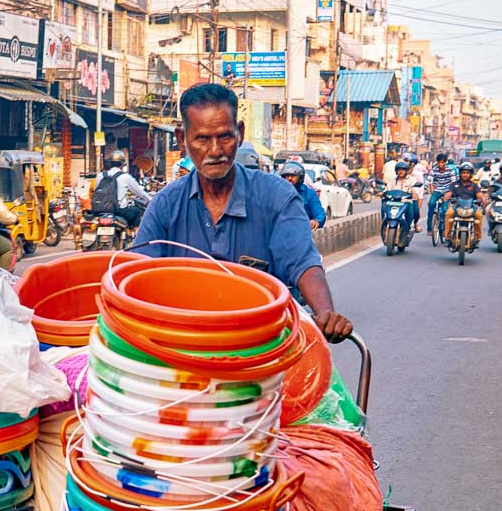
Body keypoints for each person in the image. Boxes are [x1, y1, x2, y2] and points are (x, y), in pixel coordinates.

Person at [133, 82, 352, 340]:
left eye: (224, 136)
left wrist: (325, 313)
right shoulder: (165, 204)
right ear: (182, 139)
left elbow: (303, 263)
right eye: (202, 139)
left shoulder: (277, 197)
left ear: (240, 133)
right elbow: (137, 274)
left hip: (263, 349)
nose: (215, 151)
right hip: (183, 347)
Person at [91, 150, 150, 228]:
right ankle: (136, 235)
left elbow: (96, 191)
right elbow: (139, 192)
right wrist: (149, 199)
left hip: (99, 210)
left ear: (110, 163)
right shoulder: (126, 177)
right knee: (136, 211)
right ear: (122, 164)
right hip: (118, 211)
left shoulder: (100, 175)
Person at [279, 159, 327, 231]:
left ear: (300, 177)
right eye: (287, 176)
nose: (289, 178)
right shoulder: (278, 194)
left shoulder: (309, 194)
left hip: (303, 234)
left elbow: (319, 213)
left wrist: (316, 221)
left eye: (293, 176)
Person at [443, 160, 485, 241]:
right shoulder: (454, 184)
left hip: (471, 206)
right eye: (463, 172)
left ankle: (477, 236)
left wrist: (482, 199)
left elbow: (479, 194)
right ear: (460, 173)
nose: (465, 174)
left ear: (470, 174)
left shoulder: (474, 185)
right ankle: (448, 235)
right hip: (456, 205)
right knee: (449, 213)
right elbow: (449, 193)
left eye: (467, 173)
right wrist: (446, 197)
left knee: (479, 215)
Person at [427, 151, 457, 234]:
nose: (441, 164)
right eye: (439, 162)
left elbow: (453, 182)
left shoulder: (450, 170)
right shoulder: (434, 170)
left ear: (445, 162)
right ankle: (429, 228)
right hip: (437, 191)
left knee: (444, 210)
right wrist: (432, 190)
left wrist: (449, 192)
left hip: (447, 191)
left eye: (442, 162)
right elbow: (430, 181)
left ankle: (444, 229)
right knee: (431, 204)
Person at [390, 158, 421, 229]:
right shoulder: (392, 180)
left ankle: (409, 226)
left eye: (403, 170)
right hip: (394, 202)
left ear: (406, 171)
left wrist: (414, 194)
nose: (401, 172)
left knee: (416, 213)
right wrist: (382, 193)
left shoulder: (411, 180)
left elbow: (415, 190)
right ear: (396, 171)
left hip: (407, 202)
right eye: (399, 170)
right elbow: (387, 189)